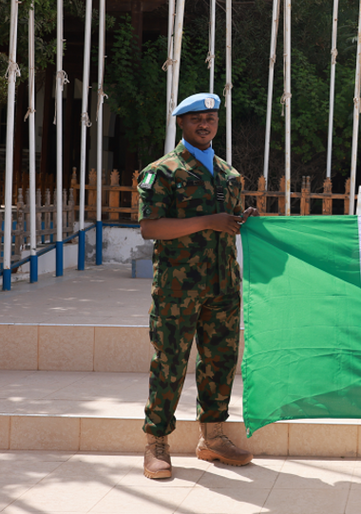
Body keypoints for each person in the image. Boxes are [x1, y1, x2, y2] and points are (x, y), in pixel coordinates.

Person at [137, 92, 256, 479]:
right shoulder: (163, 171)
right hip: (177, 288)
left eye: (211, 118)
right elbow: (150, 228)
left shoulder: (229, 174)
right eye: (195, 119)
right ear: (181, 124)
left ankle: (213, 437)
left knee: (220, 362)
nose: (204, 124)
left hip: (223, 285)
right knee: (169, 363)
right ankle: (156, 442)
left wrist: (241, 220)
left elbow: (228, 222)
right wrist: (211, 221)